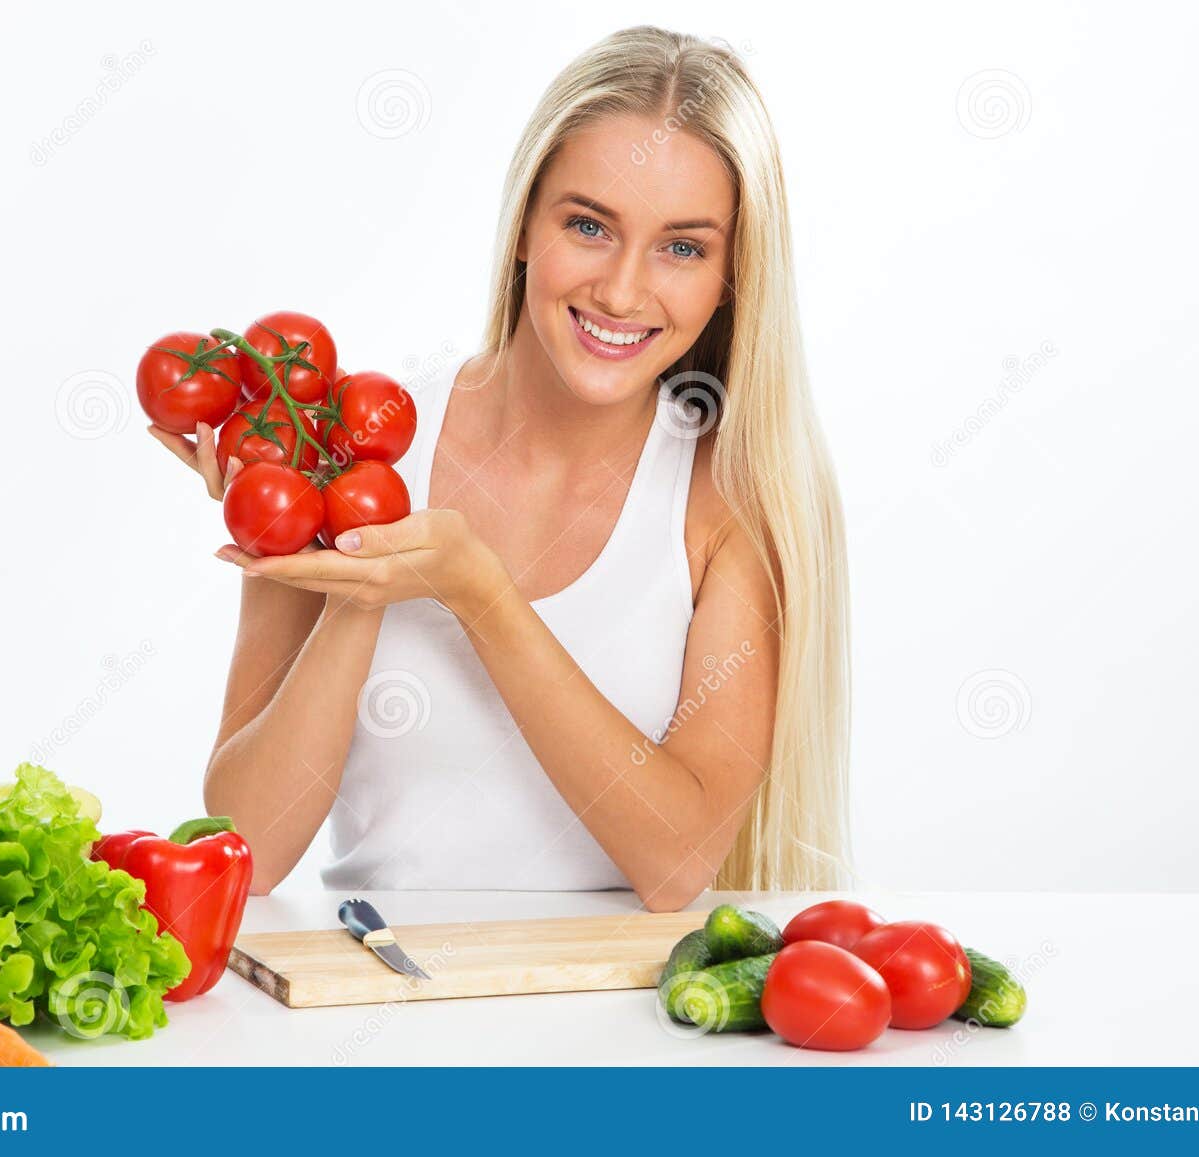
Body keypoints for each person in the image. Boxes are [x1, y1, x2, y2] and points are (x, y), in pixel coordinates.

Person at [149, 26, 850, 910]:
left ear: (731, 276)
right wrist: (357, 571)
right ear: (524, 225)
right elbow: (250, 838)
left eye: (682, 246)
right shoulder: (352, 451)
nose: (623, 290)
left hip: (620, 1032)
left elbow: (676, 864)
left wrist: (480, 593)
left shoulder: (733, 500)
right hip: (372, 1005)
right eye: (589, 225)